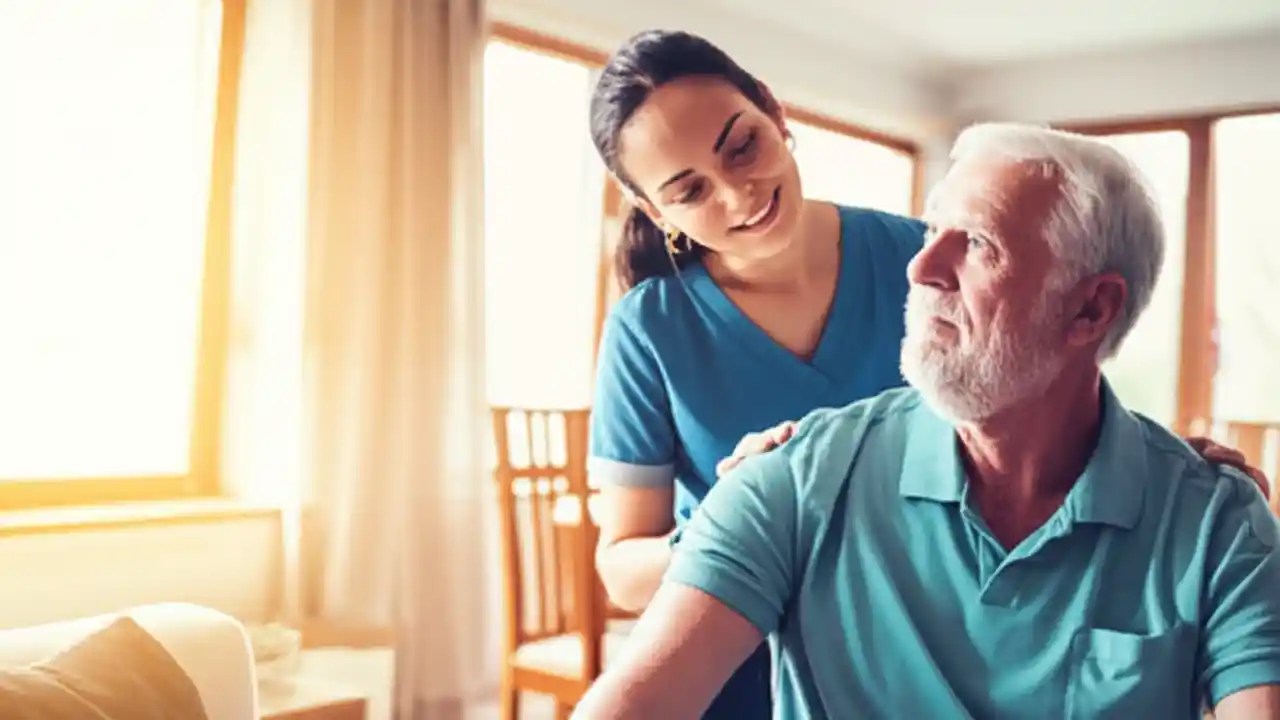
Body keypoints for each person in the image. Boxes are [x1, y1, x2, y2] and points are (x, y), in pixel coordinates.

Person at [585, 29, 1270, 719]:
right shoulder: (660, 338)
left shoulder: (918, 254)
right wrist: (726, 526)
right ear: (655, 211)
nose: (739, 194)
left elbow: (1044, 364)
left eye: (742, 148)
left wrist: (1168, 479)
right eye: (691, 190)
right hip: (735, 671)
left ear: (774, 111)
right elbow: (621, 567)